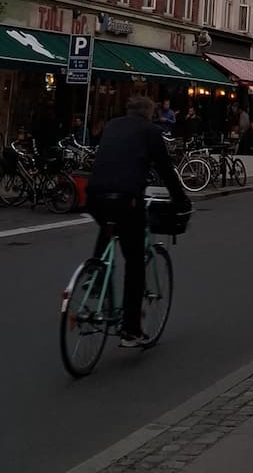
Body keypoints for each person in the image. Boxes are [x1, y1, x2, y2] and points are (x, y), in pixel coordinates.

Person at [87, 94, 189, 349]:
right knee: (134, 262)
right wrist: (181, 201)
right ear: (150, 113)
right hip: (127, 198)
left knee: (108, 225)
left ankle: (96, 275)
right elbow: (166, 170)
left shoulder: (112, 125)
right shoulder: (150, 131)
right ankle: (130, 330)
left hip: (94, 195)